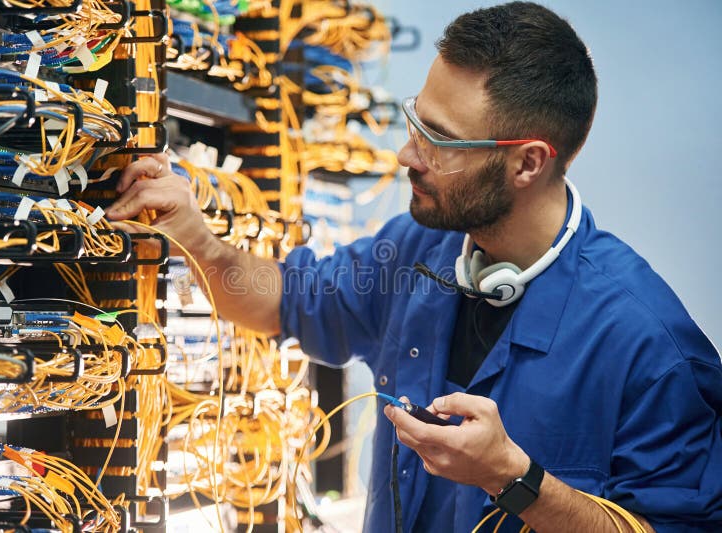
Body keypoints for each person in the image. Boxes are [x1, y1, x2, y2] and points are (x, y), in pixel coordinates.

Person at [106, 2, 722, 531]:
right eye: (415, 121)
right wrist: (195, 236)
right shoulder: (414, 251)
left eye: (439, 139)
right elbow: (281, 301)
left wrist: (513, 477)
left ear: (529, 163)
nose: (406, 153)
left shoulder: (650, 346)